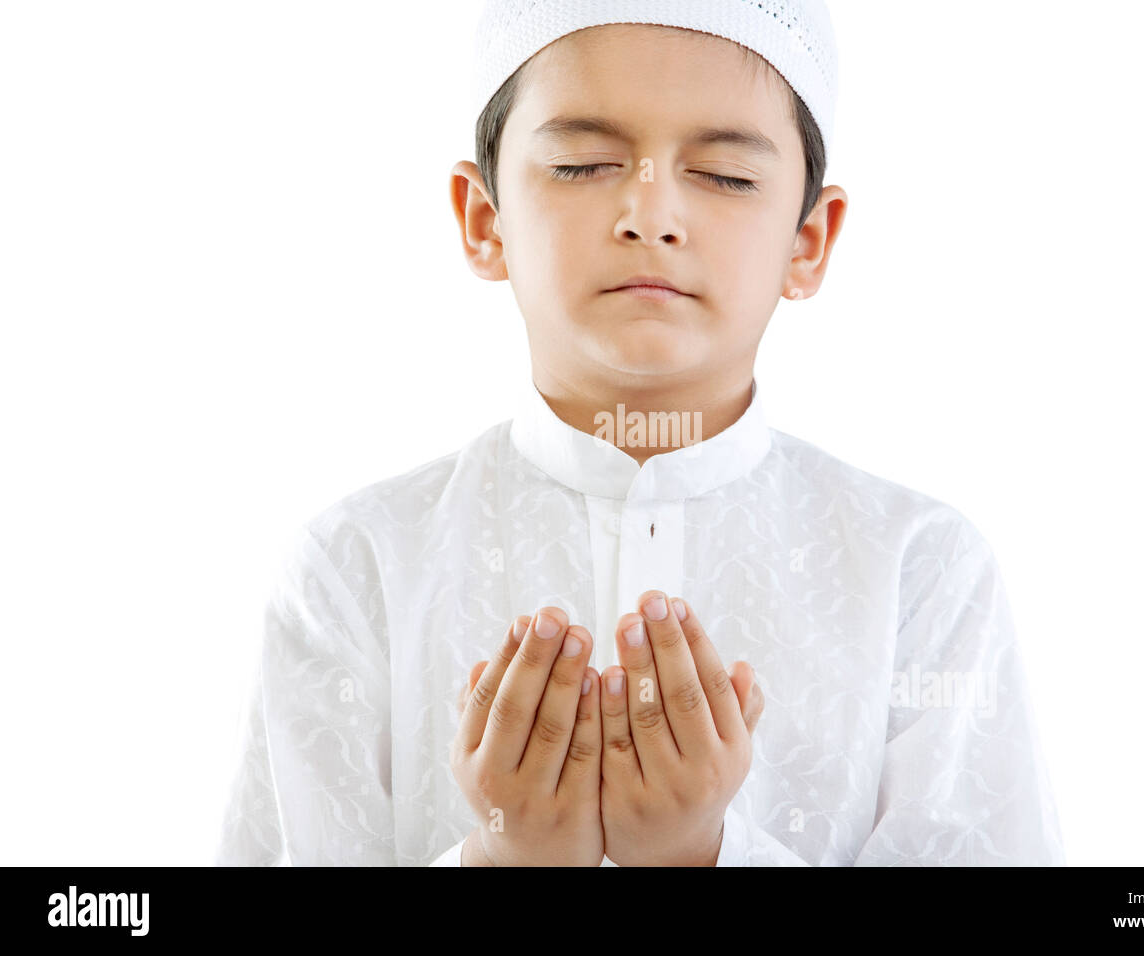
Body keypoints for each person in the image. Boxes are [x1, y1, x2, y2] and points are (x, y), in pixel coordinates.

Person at [215, 0, 1066, 866]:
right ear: (483, 217)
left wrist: (704, 852)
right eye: (583, 164)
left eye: (726, 176)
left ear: (810, 239)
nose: (650, 215)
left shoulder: (923, 573)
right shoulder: (355, 570)